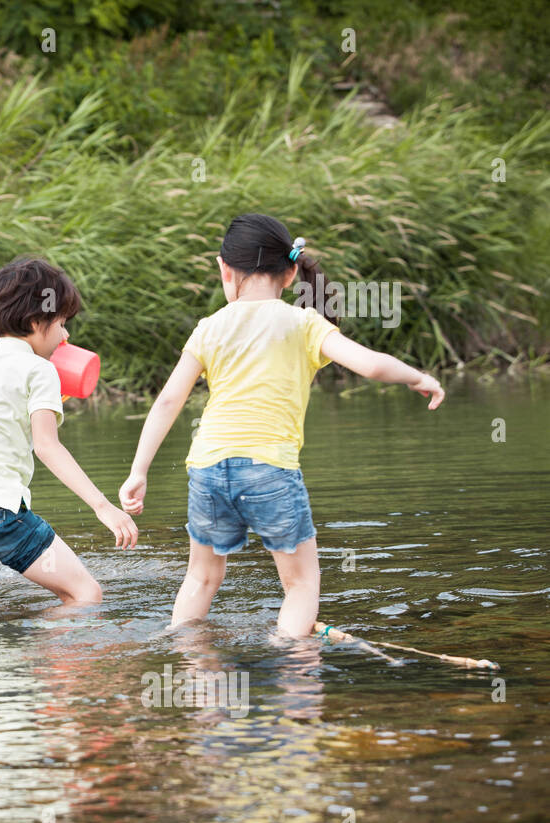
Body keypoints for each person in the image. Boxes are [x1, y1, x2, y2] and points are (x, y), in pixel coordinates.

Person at [118, 213, 445, 636]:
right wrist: (420, 378)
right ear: (291, 273)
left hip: (208, 467)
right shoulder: (304, 322)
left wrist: (138, 471)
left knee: (200, 579)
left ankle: (189, 666)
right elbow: (370, 364)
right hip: (269, 467)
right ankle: (294, 679)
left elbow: (167, 401)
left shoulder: (209, 327)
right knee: (300, 584)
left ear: (224, 269)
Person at [0, 257, 139, 605]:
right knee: (85, 595)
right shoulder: (40, 370)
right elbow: (47, 447)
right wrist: (102, 506)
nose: (66, 335)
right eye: (61, 323)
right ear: (36, 322)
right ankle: (32, 655)